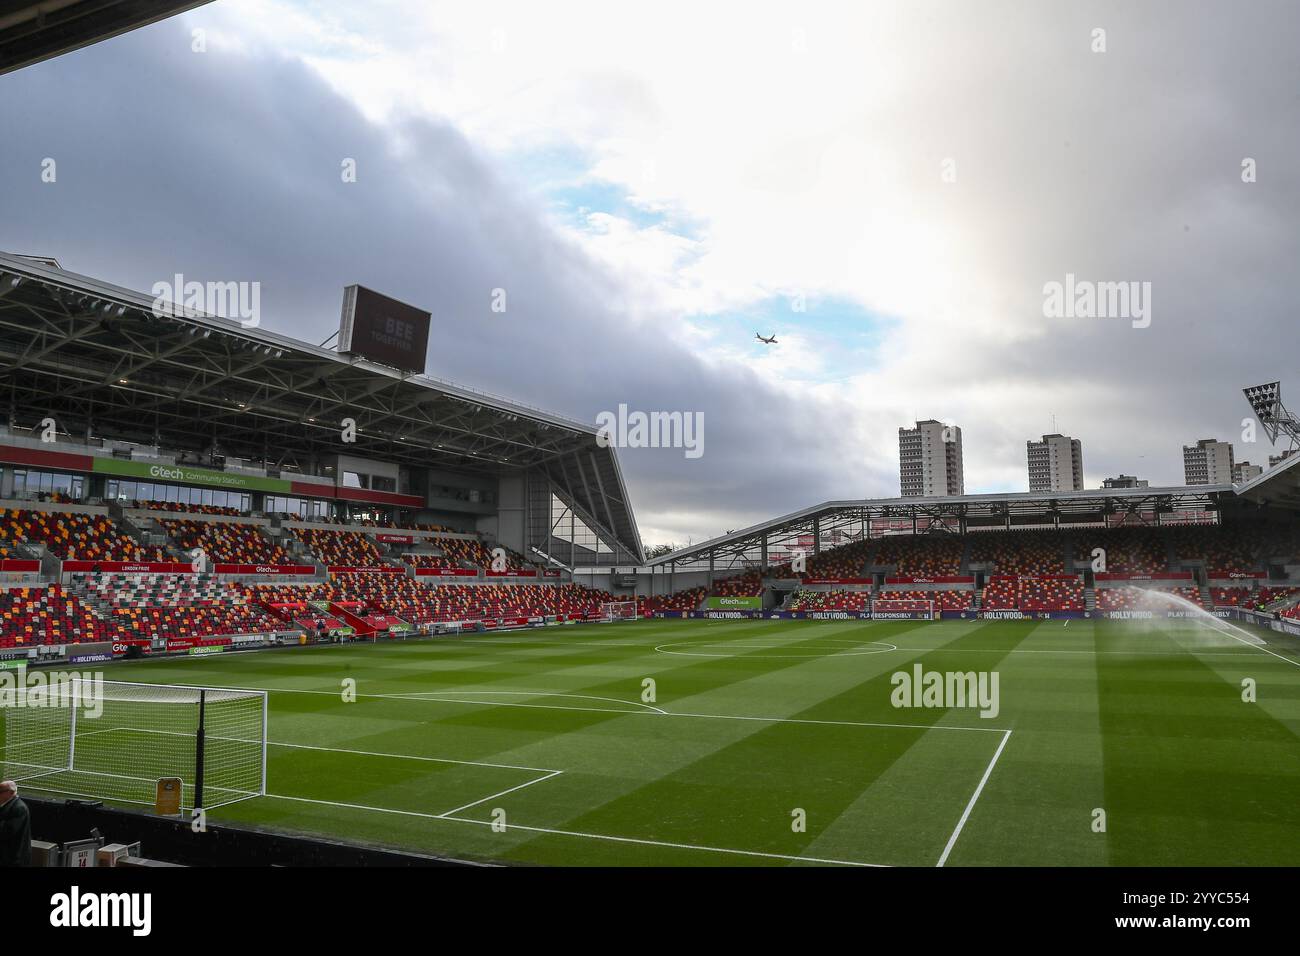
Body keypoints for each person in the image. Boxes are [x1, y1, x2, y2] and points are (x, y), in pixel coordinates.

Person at [0, 781, 32, 867]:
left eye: (0, 791)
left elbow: (8, 831)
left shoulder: (19, 808)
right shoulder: (9, 805)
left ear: (10, 792)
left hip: (13, 858)